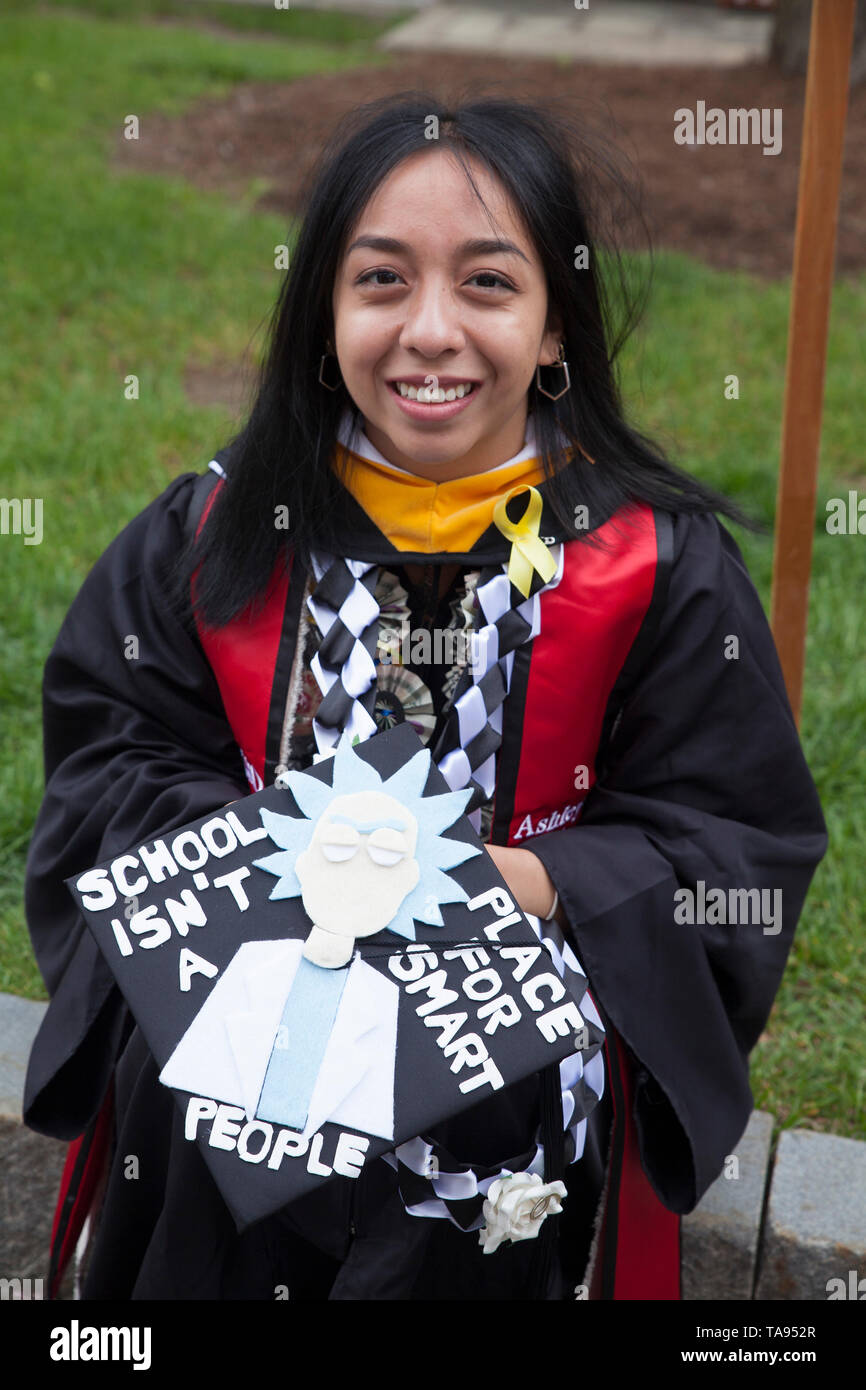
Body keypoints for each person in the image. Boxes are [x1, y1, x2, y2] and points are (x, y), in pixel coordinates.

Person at [23, 94, 827, 1301]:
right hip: (234, 1075)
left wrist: (545, 880)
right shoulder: (215, 537)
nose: (430, 332)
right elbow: (104, 764)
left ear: (556, 328)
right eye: (381, 281)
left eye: (489, 285)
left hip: (510, 1104)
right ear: (323, 315)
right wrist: (267, 853)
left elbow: (732, 839)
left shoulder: (652, 565)